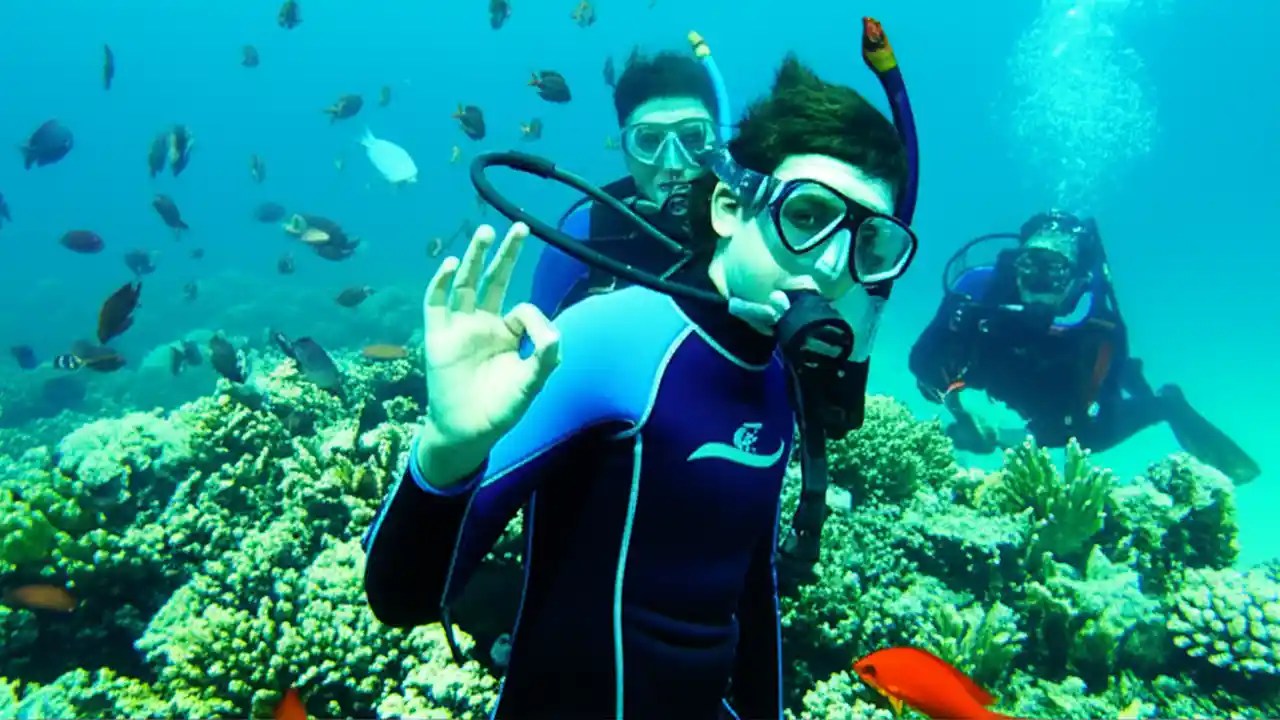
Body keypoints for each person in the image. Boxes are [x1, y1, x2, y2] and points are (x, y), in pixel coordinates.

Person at [361, 55, 918, 719]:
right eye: (806, 214)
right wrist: (446, 452)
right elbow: (402, 598)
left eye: (867, 243)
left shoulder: (779, 374)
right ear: (729, 206)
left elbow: (755, 594)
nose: (832, 264)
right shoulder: (607, 340)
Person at [908, 210, 1259, 483]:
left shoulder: (1099, 324)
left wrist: (1035, 432)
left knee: (1089, 440)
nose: (1038, 283)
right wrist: (960, 405)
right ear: (1016, 265)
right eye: (1029, 267)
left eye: (1055, 272)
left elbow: (1103, 413)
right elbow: (922, 362)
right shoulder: (978, 292)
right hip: (990, 383)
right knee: (938, 388)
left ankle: (1165, 403)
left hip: (1057, 396)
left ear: (1076, 279)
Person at [528, 48, 723, 319]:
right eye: (649, 141)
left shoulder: (756, 218)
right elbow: (534, 330)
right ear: (626, 152)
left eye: (692, 138)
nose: (673, 163)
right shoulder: (587, 232)